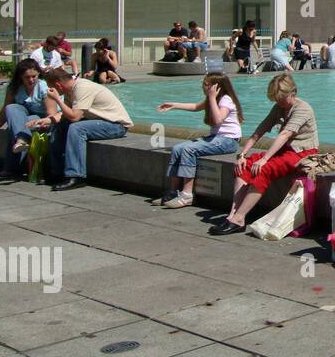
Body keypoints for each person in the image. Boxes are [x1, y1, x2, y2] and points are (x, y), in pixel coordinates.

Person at [209, 73, 318, 235]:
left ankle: (239, 218)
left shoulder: (303, 108)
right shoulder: (279, 107)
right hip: (286, 149)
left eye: (282, 98)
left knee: (264, 169)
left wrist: (265, 159)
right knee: (245, 165)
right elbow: (260, 130)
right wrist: (243, 155)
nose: (280, 102)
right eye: (276, 99)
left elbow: (285, 134)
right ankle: (233, 214)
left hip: (302, 151)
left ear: (293, 92)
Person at [30, 67, 133, 191]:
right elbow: (64, 115)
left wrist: (57, 99)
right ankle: (56, 172)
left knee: (76, 128)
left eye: (50, 87)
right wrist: (46, 120)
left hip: (116, 125)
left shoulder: (82, 88)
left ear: (58, 85)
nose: (49, 91)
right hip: (98, 122)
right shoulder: (70, 91)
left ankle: (76, 176)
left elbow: (74, 117)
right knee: (59, 127)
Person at [154, 74, 244, 208]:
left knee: (189, 150)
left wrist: (212, 98)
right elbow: (196, 106)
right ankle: (174, 192)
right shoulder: (212, 99)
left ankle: (187, 195)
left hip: (228, 141)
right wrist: (174, 105)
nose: (203, 86)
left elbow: (218, 119)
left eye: (206, 84)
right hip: (216, 138)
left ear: (216, 87)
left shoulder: (226, 100)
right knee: (177, 148)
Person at [0, 59, 57, 183]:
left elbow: (52, 113)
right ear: (20, 77)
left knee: (18, 126)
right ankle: (21, 140)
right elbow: (3, 113)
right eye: (27, 77)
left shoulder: (43, 87)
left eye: (34, 76)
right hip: (24, 120)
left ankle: (11, 168)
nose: (31, 80)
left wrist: (44, 124)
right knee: (11, 108)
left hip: (43, 119)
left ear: (39, 74)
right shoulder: (14, 88)